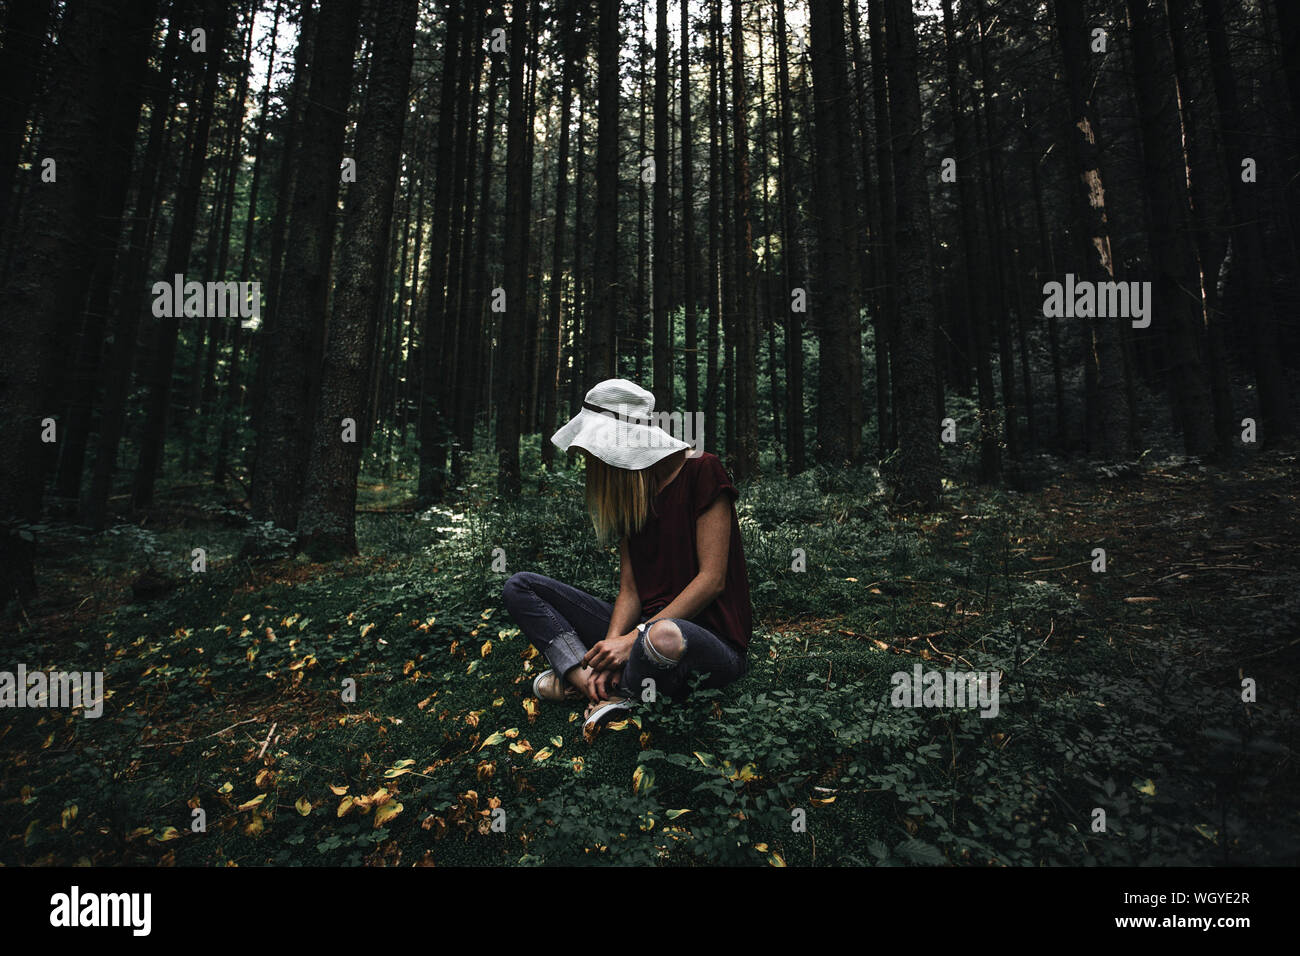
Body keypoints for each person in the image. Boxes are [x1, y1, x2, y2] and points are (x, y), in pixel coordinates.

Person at [503, 378, 753, 737]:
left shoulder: (703, 470)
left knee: (663, 637)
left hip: (706, 641)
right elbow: (631, 592)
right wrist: (609, 649)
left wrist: (633, 639)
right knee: (520, 586)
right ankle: (589, 680)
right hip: (643, 632)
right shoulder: (635, 493)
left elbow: (711, 580)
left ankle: (611, 688)